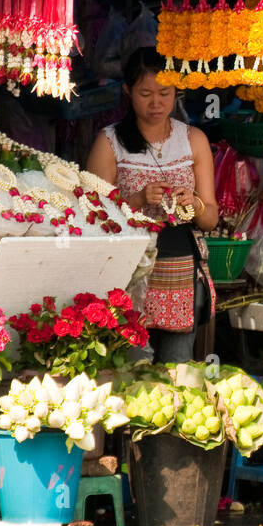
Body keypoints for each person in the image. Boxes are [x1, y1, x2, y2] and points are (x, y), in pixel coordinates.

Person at [86, 48, 220, 362]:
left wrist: (195, 204)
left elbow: (211, 217)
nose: (156, 102)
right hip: (128, 273)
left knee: (177, 367)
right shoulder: (109, 142)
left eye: (165, 93)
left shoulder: (193, 139)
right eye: (145, 93)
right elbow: (91, 215)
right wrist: (136, 201)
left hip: (180, 270)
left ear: (177, 92)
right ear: (128, 92)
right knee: (129, 364)